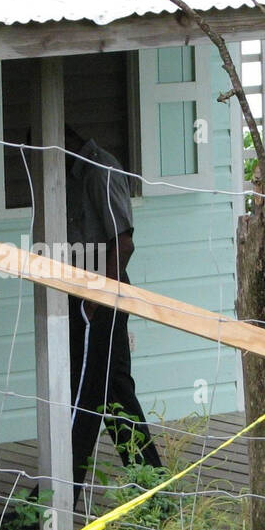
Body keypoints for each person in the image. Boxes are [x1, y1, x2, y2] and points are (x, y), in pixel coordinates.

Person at [64, 127, 163, 507]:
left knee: (82, 394)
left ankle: (59, 494)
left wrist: (97, 298)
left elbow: (123, 242)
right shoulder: (72, 174)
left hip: (100, 297)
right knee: (114, 391)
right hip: (83, 292)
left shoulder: (99, 170)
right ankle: (152, 489)